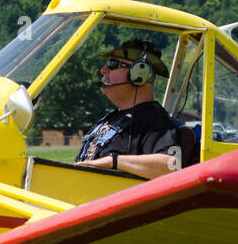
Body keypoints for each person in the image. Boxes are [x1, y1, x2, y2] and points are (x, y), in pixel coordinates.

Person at [75, 39, 198, 179]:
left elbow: (171, 166)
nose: (103, 69)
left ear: (139, 73)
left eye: (112, 64)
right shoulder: (111, 119)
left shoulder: (155, 122)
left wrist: (113, 161)